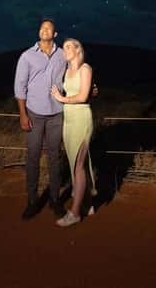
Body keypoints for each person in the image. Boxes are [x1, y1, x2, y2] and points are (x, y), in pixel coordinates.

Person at [14, 18, 68, 219]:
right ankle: (32, 201)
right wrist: (22, 114)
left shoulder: (63, 54)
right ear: (39, 32)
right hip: (34, 114)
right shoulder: (27, 57)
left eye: (49, 28)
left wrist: (91, 87)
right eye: (42, 27)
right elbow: (20, 87)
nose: (44, 30)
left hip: (56, 113)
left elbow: (76, 70)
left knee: (55, 157)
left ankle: (55, 200)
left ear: (54, 34)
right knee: (33, 157)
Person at [50, 38, 96, 227]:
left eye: (70, 46)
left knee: (78, 164)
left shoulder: (86, 68)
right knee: (75, 164)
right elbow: (83, 92)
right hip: (68, 120)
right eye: (64, 47)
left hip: (82, 119)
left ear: (78, 50)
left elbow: (84, 96)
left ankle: (75, 212)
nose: (65, 49)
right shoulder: (66, 71)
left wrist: (61, 98)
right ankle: (88, 203)